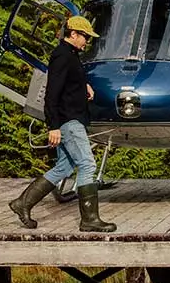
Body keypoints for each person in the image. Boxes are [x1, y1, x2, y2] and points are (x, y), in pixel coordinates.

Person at [9, 15, 114, 232]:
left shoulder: (71, 55)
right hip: (68, 121)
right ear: (73, 34)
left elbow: (69, 79)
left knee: (64, 167)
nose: (87, 41)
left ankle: (23, 203)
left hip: (71, 118)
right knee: (87, 165)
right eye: (85, 36)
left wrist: (84, 85)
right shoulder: (62, 56)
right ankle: (89, 220)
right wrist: (53, 126)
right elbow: (51, 94)